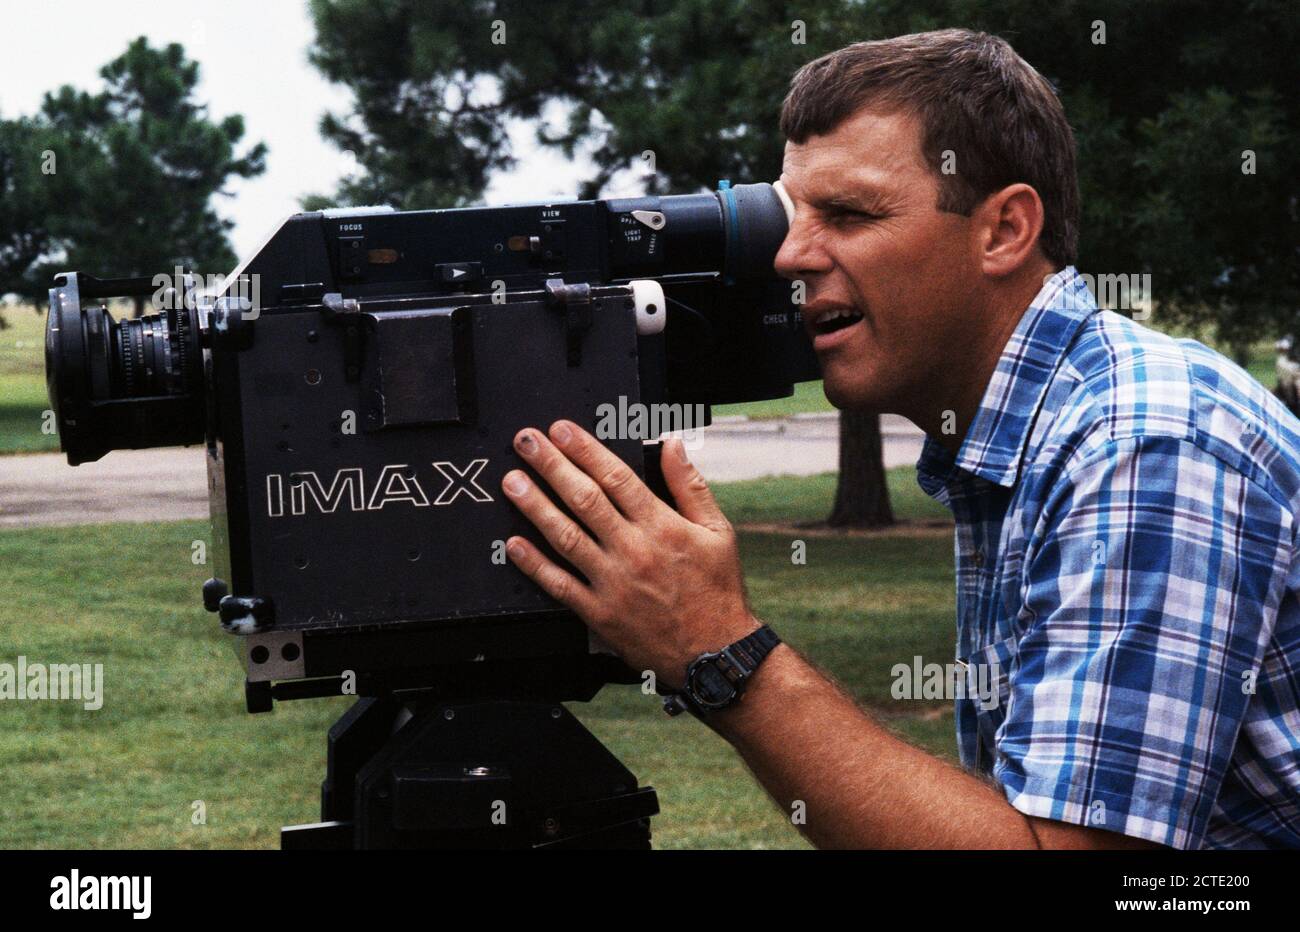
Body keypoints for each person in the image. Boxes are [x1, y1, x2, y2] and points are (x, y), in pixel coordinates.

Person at [498, 29, 1300, 849]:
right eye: (792, 213)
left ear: (1004, 229)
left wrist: (717, 647)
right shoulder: (1030, 436)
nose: (789, 255)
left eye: (847, 214)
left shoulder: (1142, 443)